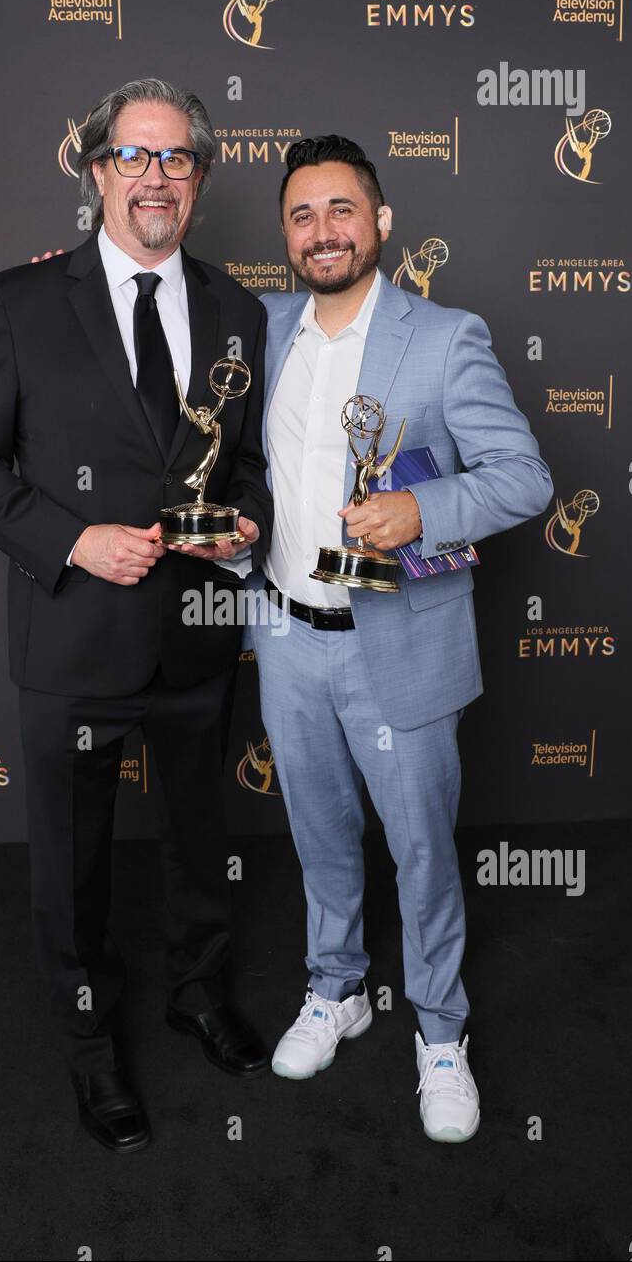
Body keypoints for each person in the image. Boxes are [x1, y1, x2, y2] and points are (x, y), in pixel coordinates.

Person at [0, 78, 274, 1155]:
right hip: (73, 636)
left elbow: (253, 466)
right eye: (134, 156)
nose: (155, 176)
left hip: (196, 642)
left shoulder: (237, 309)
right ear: (95, 170)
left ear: (200, 177)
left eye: (175, 158)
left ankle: (198, 993)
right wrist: (72, 540)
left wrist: (245, 525)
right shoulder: (18, 301)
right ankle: (91, 1049)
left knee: (199, 841)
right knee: (71, 865)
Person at [247, 135, 553, 1142]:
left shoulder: (446, 335)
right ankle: (336, 988)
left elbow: (523, 479)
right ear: (284, 235)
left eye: (341, 210)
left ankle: (438, 1031)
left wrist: (420, 508)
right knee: (319, 835)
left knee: (420, 851)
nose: (321, 230)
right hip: (288, 639)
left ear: (379, 224)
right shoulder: (264, 328)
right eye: (301, 214)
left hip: (401, 644)